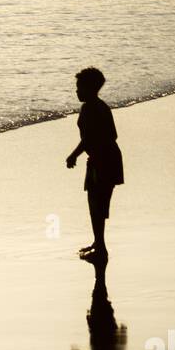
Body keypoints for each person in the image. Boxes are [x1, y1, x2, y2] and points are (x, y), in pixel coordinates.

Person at [66, 67, 124, 262]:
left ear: (90, 88)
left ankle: (101, 247)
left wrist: (73, 155)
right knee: (98, 204)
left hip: (103, 160)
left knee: (96, 204)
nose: (77, 91)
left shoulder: (91, 107)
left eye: (79, 87)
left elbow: (89, 139)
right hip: (108, 158)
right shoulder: (100, 105)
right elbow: (113, 135)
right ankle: (99, 243)